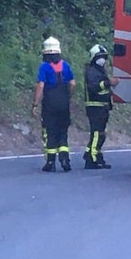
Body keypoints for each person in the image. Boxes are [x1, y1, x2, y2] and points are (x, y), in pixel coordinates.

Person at [33, 36, 76, 172]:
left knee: (50, 131)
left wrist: (35, 104)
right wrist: (67, 96)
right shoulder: (66, 65)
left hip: (50, 104)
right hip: (64, 103)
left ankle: (50, 162)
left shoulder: (44, 67)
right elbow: (73, 83)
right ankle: (65, 159)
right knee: (63, 131)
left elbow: (41, 85)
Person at [83, 43, 121, 169]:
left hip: (103, 106)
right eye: (100, 56)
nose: (102, 59)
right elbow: (93, 87)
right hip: (95, 106)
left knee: (101, 134)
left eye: (104, 56)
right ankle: (92, 159)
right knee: (97, 133)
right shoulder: (91, 71)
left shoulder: (100, 70)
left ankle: (93, 155)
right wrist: (108, 82)